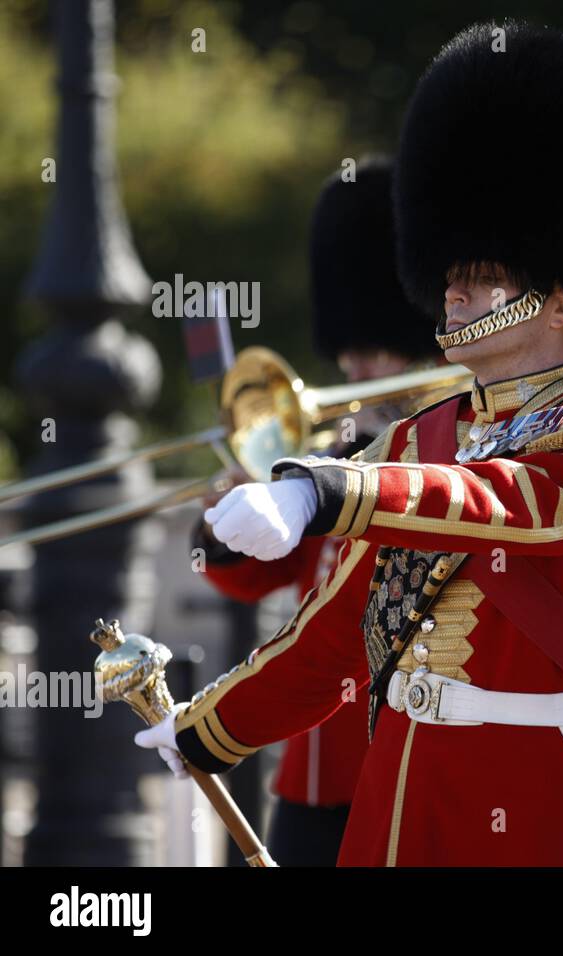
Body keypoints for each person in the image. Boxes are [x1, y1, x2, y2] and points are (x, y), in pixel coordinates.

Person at [136, 22, 563, 866]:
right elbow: (332, 636)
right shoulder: (420, 436)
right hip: (400, 804)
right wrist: (209, 730)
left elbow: (499, 504)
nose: (454, 293)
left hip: (540, 810)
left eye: (483, 276)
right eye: (452, 274)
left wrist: (324, 491)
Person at [191, 157, 442, 865]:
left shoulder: (454, 453)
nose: (356, 370)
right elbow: (254, 578)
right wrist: (231, 511)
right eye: (351, 351)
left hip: (405, 753)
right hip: (314, 757)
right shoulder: (337, 447)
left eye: (375, 350)